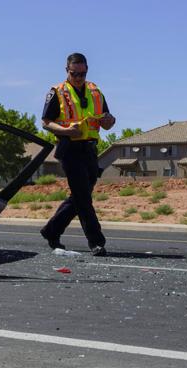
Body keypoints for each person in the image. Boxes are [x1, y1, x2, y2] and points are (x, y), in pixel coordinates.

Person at [40, 53, 116, 256]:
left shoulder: (95, 91)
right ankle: (96, 242)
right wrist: (65, 131)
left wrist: (109, 121)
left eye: (82, 74)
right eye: (75, 74)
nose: (79, 78)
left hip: (90, 149)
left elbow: (107, 119)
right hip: (69, 148)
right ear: (67, 71)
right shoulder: (57, 92)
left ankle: (51, 231)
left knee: (81, 196)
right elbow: (46, 122)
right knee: (83, 197)